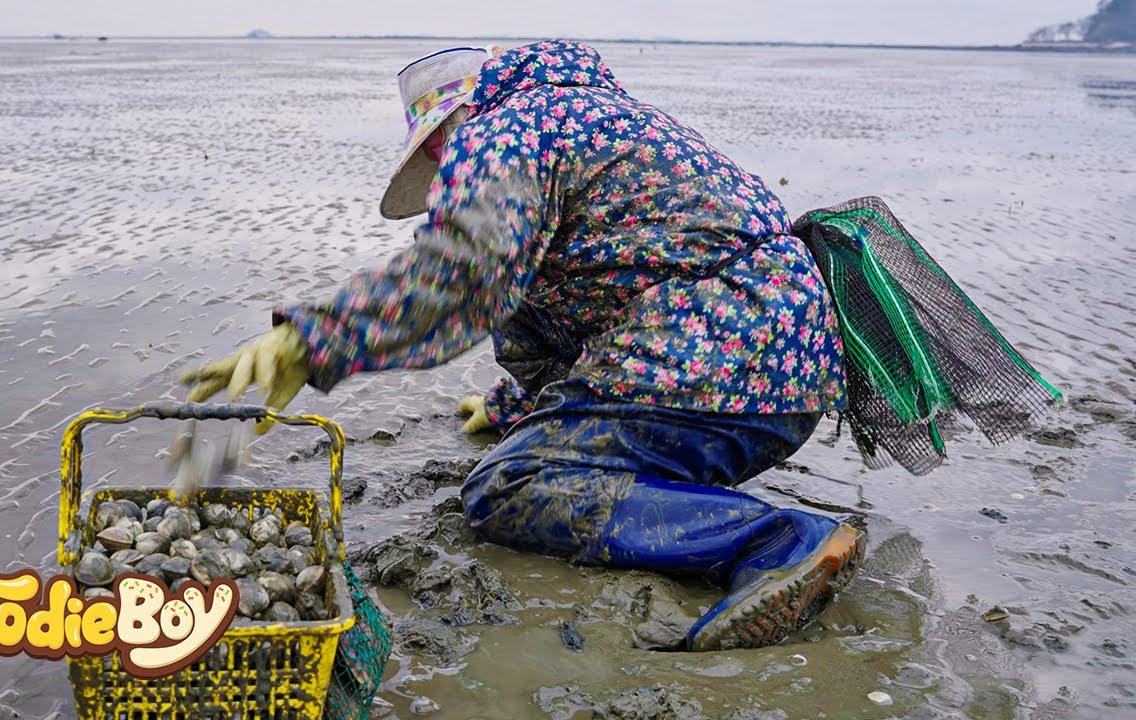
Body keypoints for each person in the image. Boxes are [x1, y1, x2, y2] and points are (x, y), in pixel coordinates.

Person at [179, 40, 1058, 651]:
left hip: (725, 358)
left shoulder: (513, 129)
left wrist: (313, 342)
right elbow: (530, 314)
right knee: (527, 446)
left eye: (439, 156)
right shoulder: (578, 123)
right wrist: (515, 408)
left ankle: (780, 543)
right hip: (762, 374)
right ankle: (718, 512)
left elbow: (464, 273)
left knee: (510, 488)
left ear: (450, 129)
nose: (445, 175)